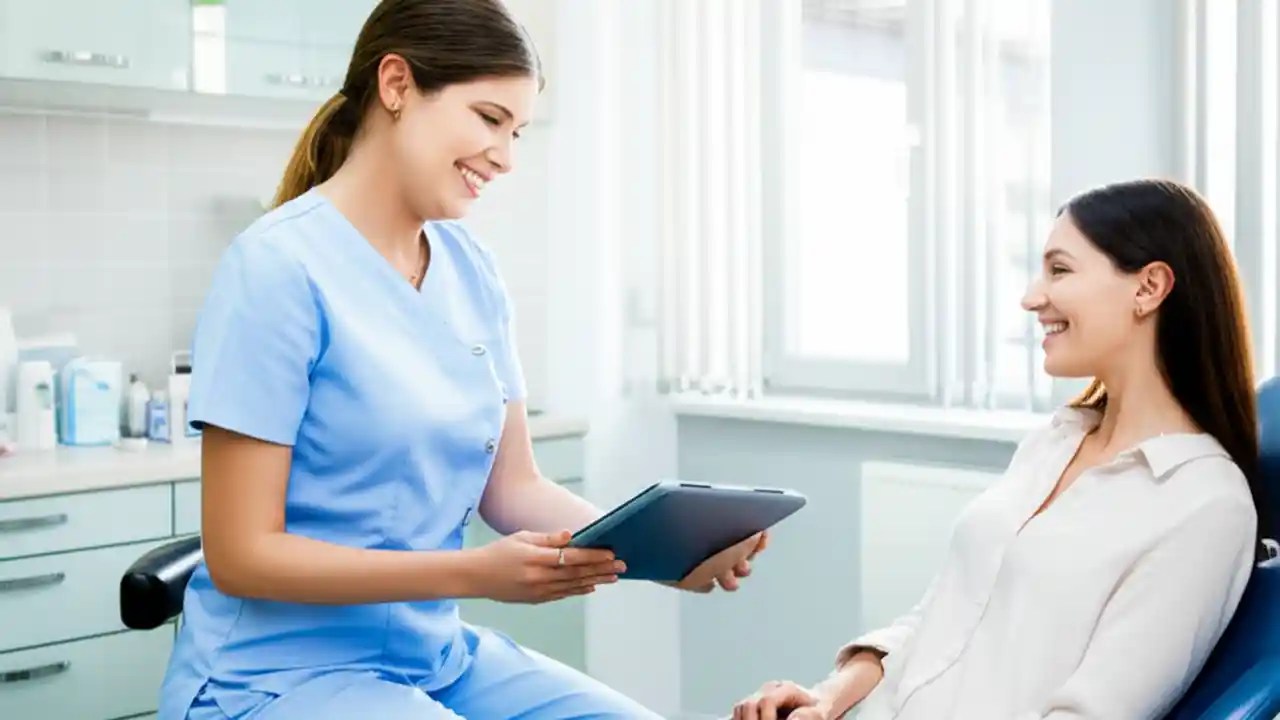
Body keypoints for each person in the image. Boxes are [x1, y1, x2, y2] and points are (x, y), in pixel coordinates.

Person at [157, 1, 767, 718]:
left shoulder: (470, 267)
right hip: (273, 675)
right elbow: (241, 554)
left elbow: (513, 489)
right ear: (396, 85)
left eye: (517, 131)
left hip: (431, 658)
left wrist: (662, 553)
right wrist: (473, 573)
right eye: (488, 118)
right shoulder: (275, 267)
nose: (506, 157)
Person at [732, 179, 1274, 720]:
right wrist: (827, 697)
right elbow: (936, 621)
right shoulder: (1056, 441)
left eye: (1059, 270)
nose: (1032, 297)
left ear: (1149, 287)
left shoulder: (1204, 504)